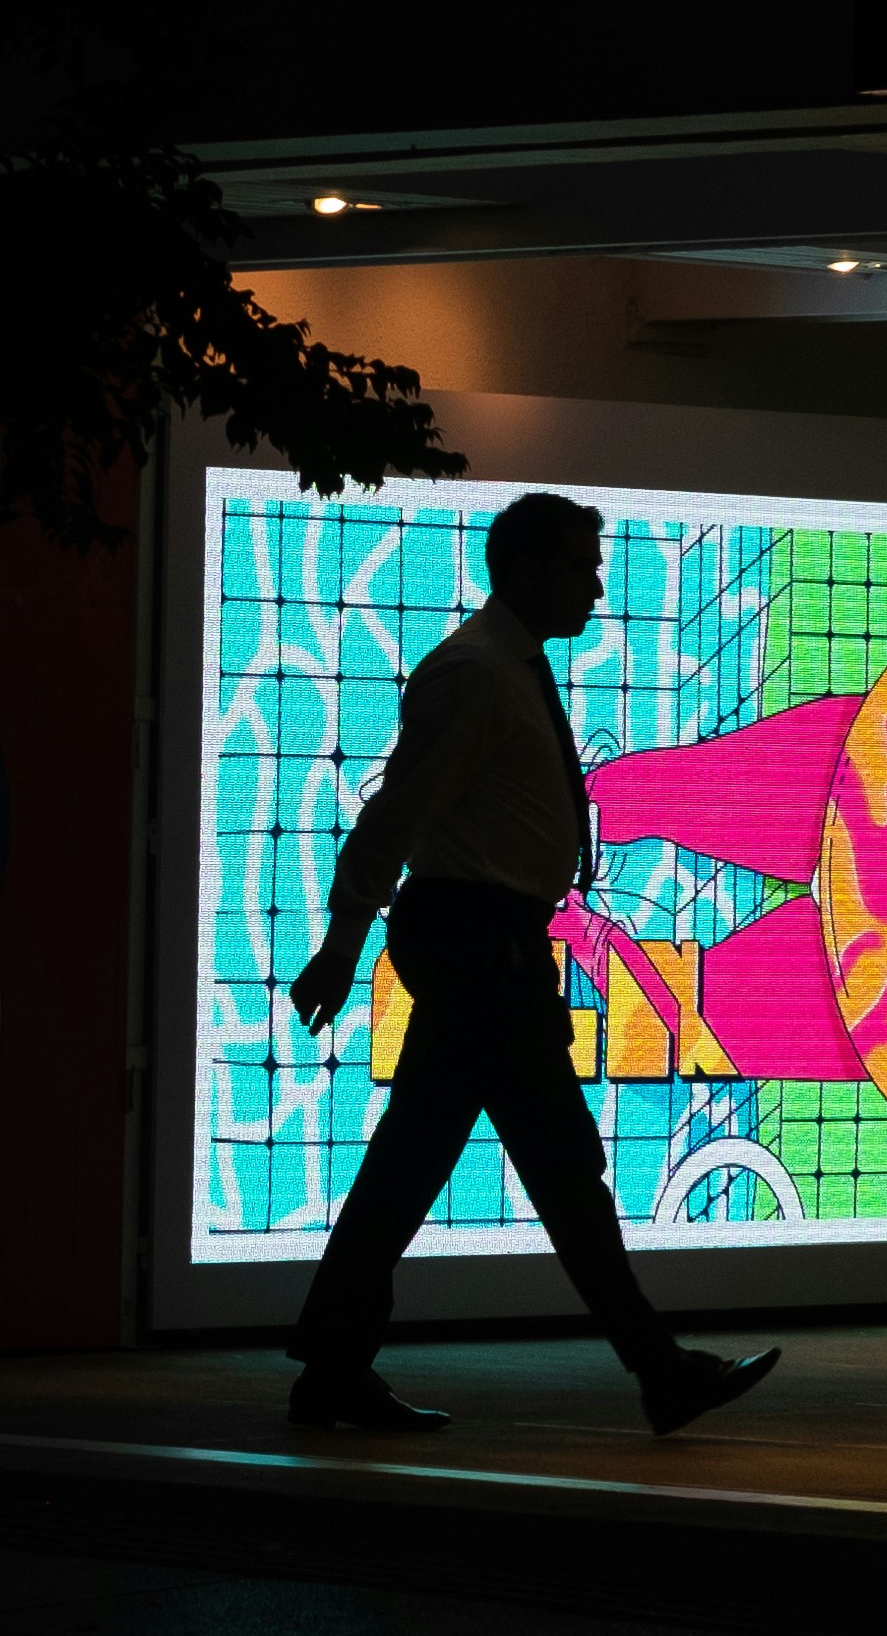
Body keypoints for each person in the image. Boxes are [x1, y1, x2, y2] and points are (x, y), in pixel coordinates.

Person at [280, 489, 780, 1441]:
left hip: (491, 943)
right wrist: (342, 944)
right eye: (582, 563)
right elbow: (398, 815)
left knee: (424, 1161)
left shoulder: (506, 667)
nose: (597, 582)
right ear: (529, 570)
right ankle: (656, 1369)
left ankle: (334, 1370)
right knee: (553, 1165)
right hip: (480, 945)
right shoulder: (474, 674)